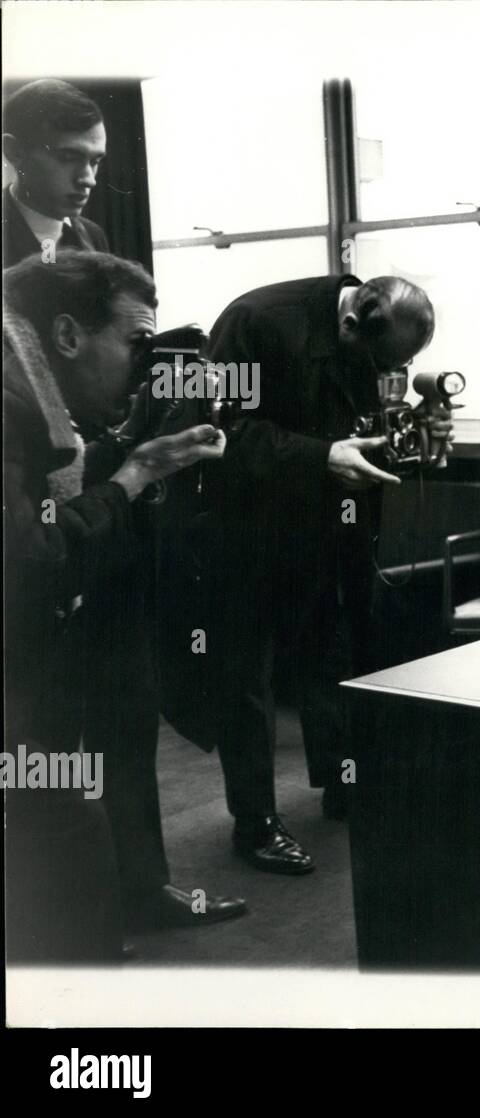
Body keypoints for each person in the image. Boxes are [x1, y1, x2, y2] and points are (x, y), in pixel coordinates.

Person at [3, 250, 245, 960]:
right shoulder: (11, 400)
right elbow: (32, 555)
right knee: (61, 823)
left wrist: (146, 460)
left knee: (58, 808)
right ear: (70, 336)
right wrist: (138, 471)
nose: (149, 366)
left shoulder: (28, 369)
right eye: (138, 344)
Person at [193, 273, 450, 871]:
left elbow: (362, 429)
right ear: (350, 324)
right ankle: (254, 825)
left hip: (328, 521)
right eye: (375, 364)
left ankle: (344, 785)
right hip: (248, 528)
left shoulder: (368, 337)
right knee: (249, 678)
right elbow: (220, 430)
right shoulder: (253, 320)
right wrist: (320, 455)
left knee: (334, 655)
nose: (380, 376)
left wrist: (415, 434)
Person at [2, 79, 109, 268]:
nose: (89, 180)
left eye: (94, 161)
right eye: (68, 157)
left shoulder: (93, 236)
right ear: (15, 152)